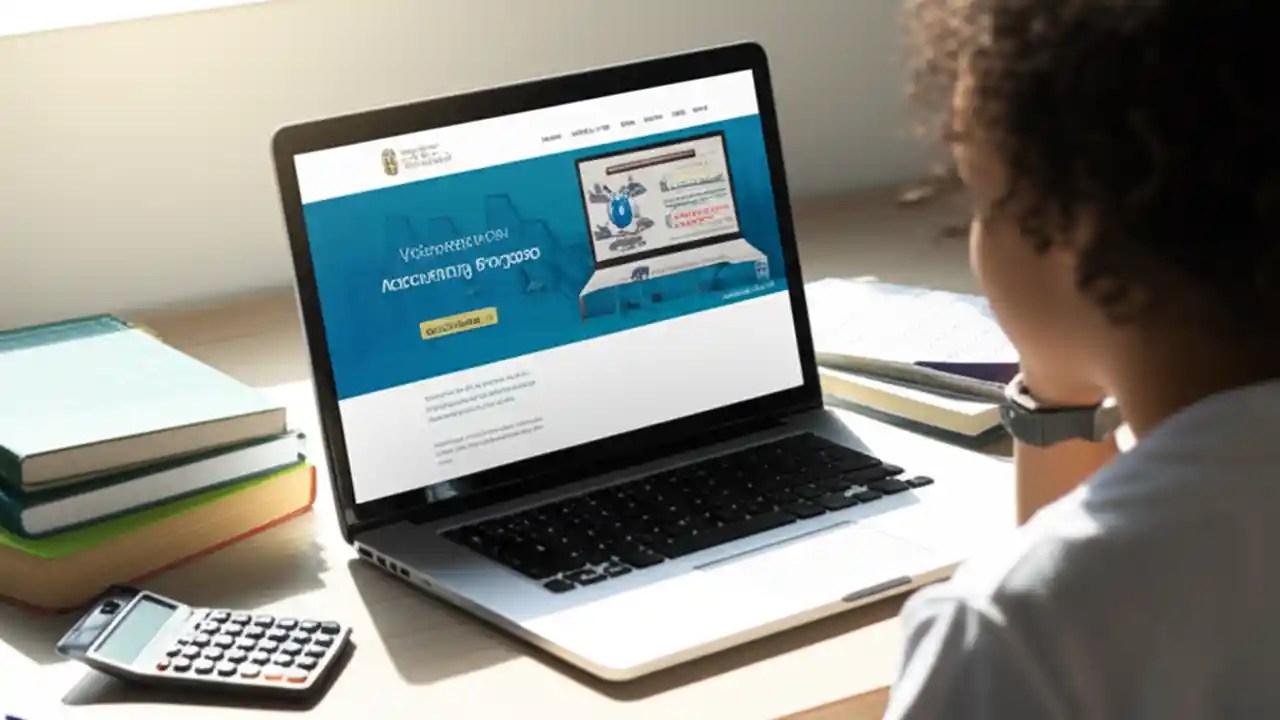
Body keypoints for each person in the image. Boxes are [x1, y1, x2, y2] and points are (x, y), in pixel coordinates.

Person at [884, 1, 1280, 717]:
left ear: (1072, 231)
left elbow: (1071, 582)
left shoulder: (1015, 634)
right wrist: (1056, 396)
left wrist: (1051, 378)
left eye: (984, 197)